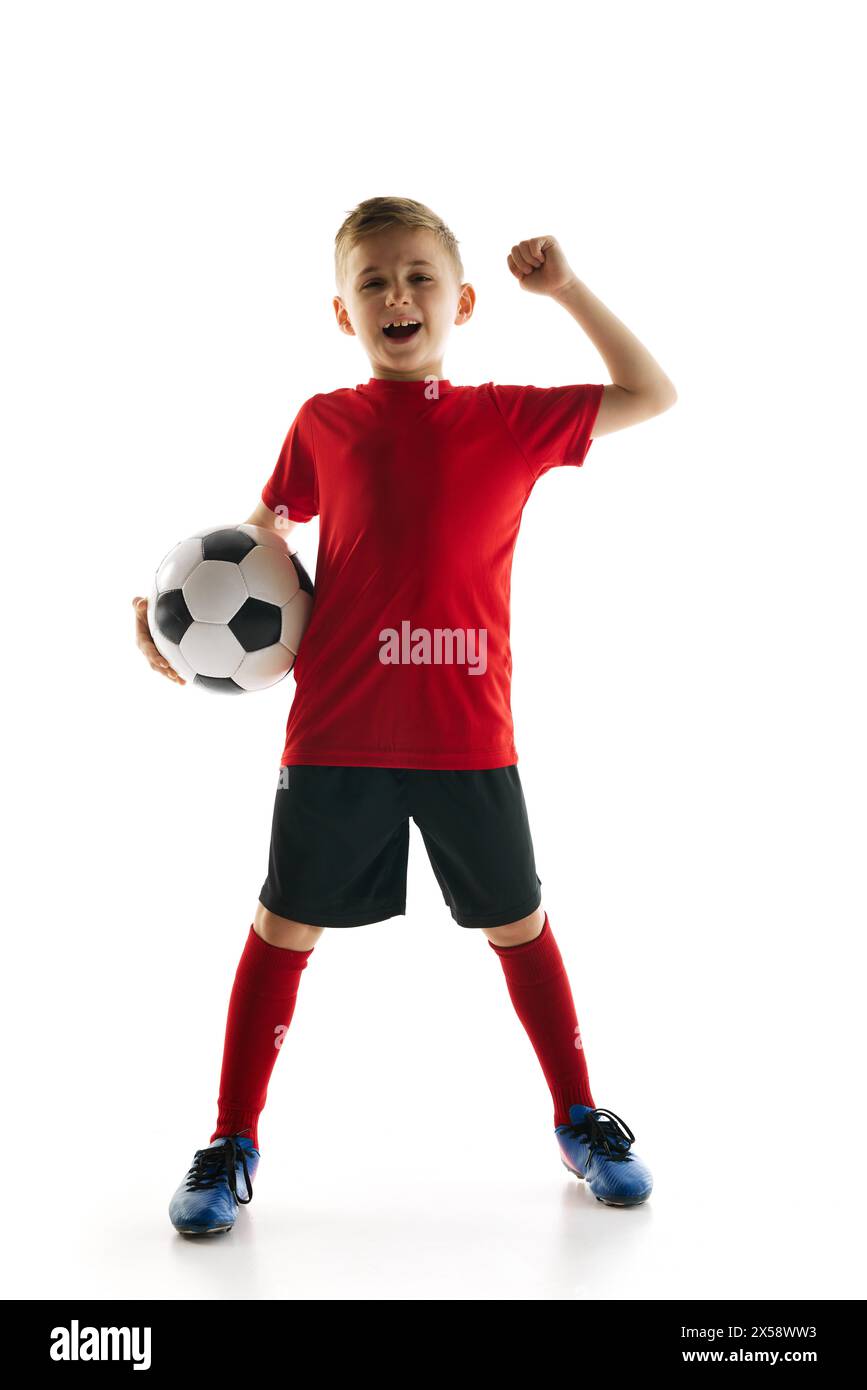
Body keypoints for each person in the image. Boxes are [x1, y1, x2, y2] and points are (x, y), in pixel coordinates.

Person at [133, 195, 677, 1234]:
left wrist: (565, 290)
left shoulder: (509, 417)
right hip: (338, 729)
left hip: (467, 730)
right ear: (344, 312)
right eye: (373, 280)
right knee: (281, 924)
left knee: (518, 923)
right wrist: (169, 616)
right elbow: (255, 543)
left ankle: (580, 1117)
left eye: (419, 276)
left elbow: (651, 391)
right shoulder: (322, 421)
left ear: (461, 299)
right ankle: (230, 1140)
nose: (397, 295)